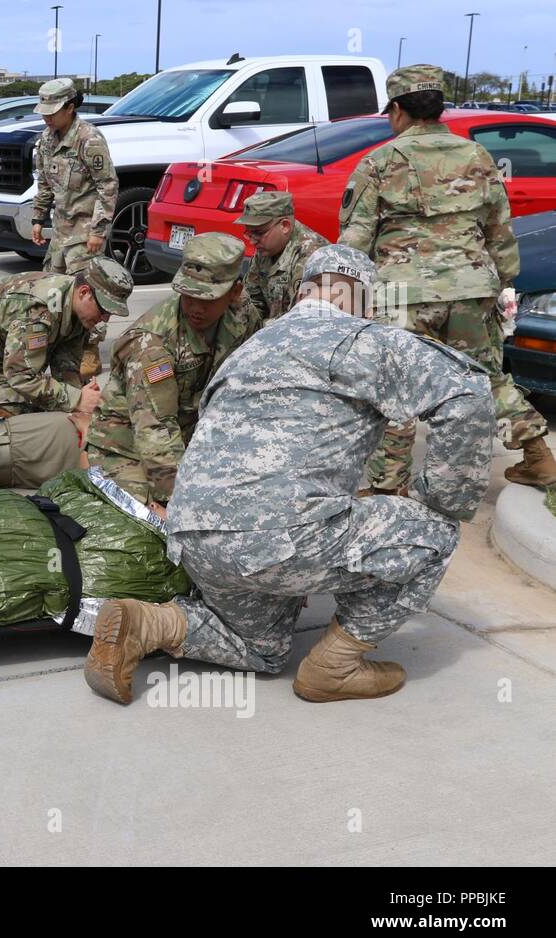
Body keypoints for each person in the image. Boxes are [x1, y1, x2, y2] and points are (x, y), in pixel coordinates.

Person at [84, 246, 494, 706]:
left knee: (262, 649)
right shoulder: (365, 339)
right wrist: (436, 497)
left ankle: (148, 624)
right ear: (360, 299)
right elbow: (468, 393)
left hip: (195, 538)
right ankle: (334, 667)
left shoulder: (249, 348)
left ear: (303, 292)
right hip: (279, 541)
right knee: (435, 531)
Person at [338, 63, 555, 490]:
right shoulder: (477, 156)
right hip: (472, 287)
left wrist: (348, 296)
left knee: (395, 385)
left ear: (398, 110)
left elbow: (355, 240)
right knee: (484, 377)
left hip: (401, 290)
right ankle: (538, 457)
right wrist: (503, 285)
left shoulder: (379, 161)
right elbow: (500, 230)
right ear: (438, 108)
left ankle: (389, 485)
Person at [86, 233, 261, 513]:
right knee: (152, 523)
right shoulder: (152, 342)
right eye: (188, 295)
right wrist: (176, 501)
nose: (195, 307)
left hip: (191, 436)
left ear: (235, 292)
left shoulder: (242, 316)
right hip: (127, 446)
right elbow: (155, 428)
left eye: (207, 298)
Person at [0, 256, 132, 417]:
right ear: (84, 293)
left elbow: (67, 365)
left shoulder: (78, 308)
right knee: (18, 420)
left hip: (5, 349)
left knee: (54, 408)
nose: (105, 319)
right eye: (103, 309)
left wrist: (80, 398)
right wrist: (77, 399)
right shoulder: (38, 312)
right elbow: (21, 376)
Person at [29, 77, 119, 377]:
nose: (46, 115)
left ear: (70, 107)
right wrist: (38, 219)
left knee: (88, 291)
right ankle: (56, 346)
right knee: (52, 292)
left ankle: (90, 349)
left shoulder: (88, 139)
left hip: (84, 230)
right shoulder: (46, 139)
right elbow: (44, 184)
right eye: (44, 110)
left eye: (52, 110)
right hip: (60, 230)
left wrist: (98, 230)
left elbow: (107, 186)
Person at [235, 191, 328, 322]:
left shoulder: (313, 258)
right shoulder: (267, 248)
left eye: (258, 233)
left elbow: (301, 320)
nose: (252, 241)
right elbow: (253, 300)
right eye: (249, 233)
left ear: (285, 226)